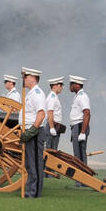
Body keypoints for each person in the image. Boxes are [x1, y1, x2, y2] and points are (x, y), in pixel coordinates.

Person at [20, 67, 47, 198]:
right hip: (31, 132)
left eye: (26, 77)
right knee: (30, 164)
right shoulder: (31, 93)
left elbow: (41, 114)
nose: (24, 79)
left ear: (33, 78)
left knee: (35, 163)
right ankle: (31, 190)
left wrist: (31, 131)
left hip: (35, 132)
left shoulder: (37, 94)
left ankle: (34, 192)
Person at [68, 76, 91, 170]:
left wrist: (82, 132)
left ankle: (82, 178)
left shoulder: (82, 97)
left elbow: (87, 113)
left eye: (71, 84)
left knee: (80, 154)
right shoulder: (78, 96)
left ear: (77, 85)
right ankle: (81, 178)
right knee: (78, 153)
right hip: (77, 126)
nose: (70, 86)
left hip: (79, 126)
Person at [45, 76, 65, 152]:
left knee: (53, 149)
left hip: (54, 126)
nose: (61, 88)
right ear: (56, 86)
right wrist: (52, 127)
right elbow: (50, 112)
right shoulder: (52, 97)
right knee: (50, 151)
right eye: (61, 86)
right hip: (52, 126)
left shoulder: (54, 96)